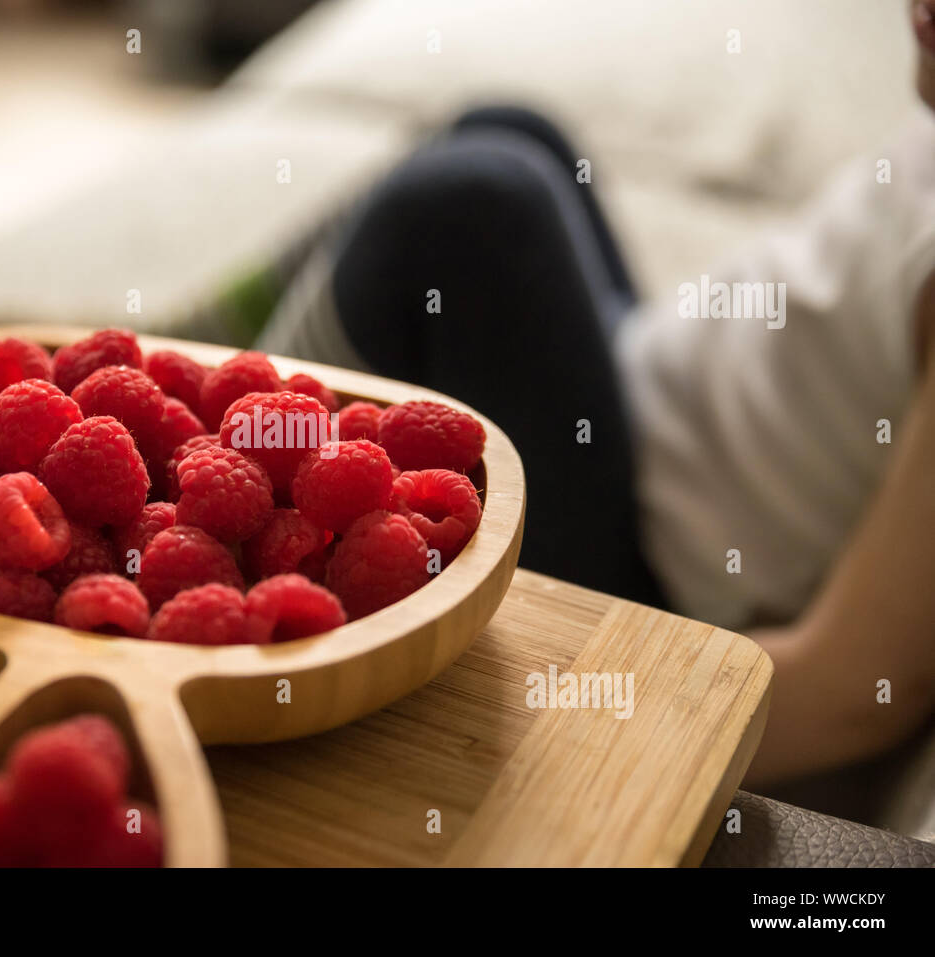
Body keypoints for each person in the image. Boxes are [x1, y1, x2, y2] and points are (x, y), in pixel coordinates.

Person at [256, 3, 935, 786]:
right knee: (512, 125)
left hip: (651, 566)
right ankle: (243, 339)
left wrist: (562, 713)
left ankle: (237, 445)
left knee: (474, 207)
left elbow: (854, 692)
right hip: (643, 381)